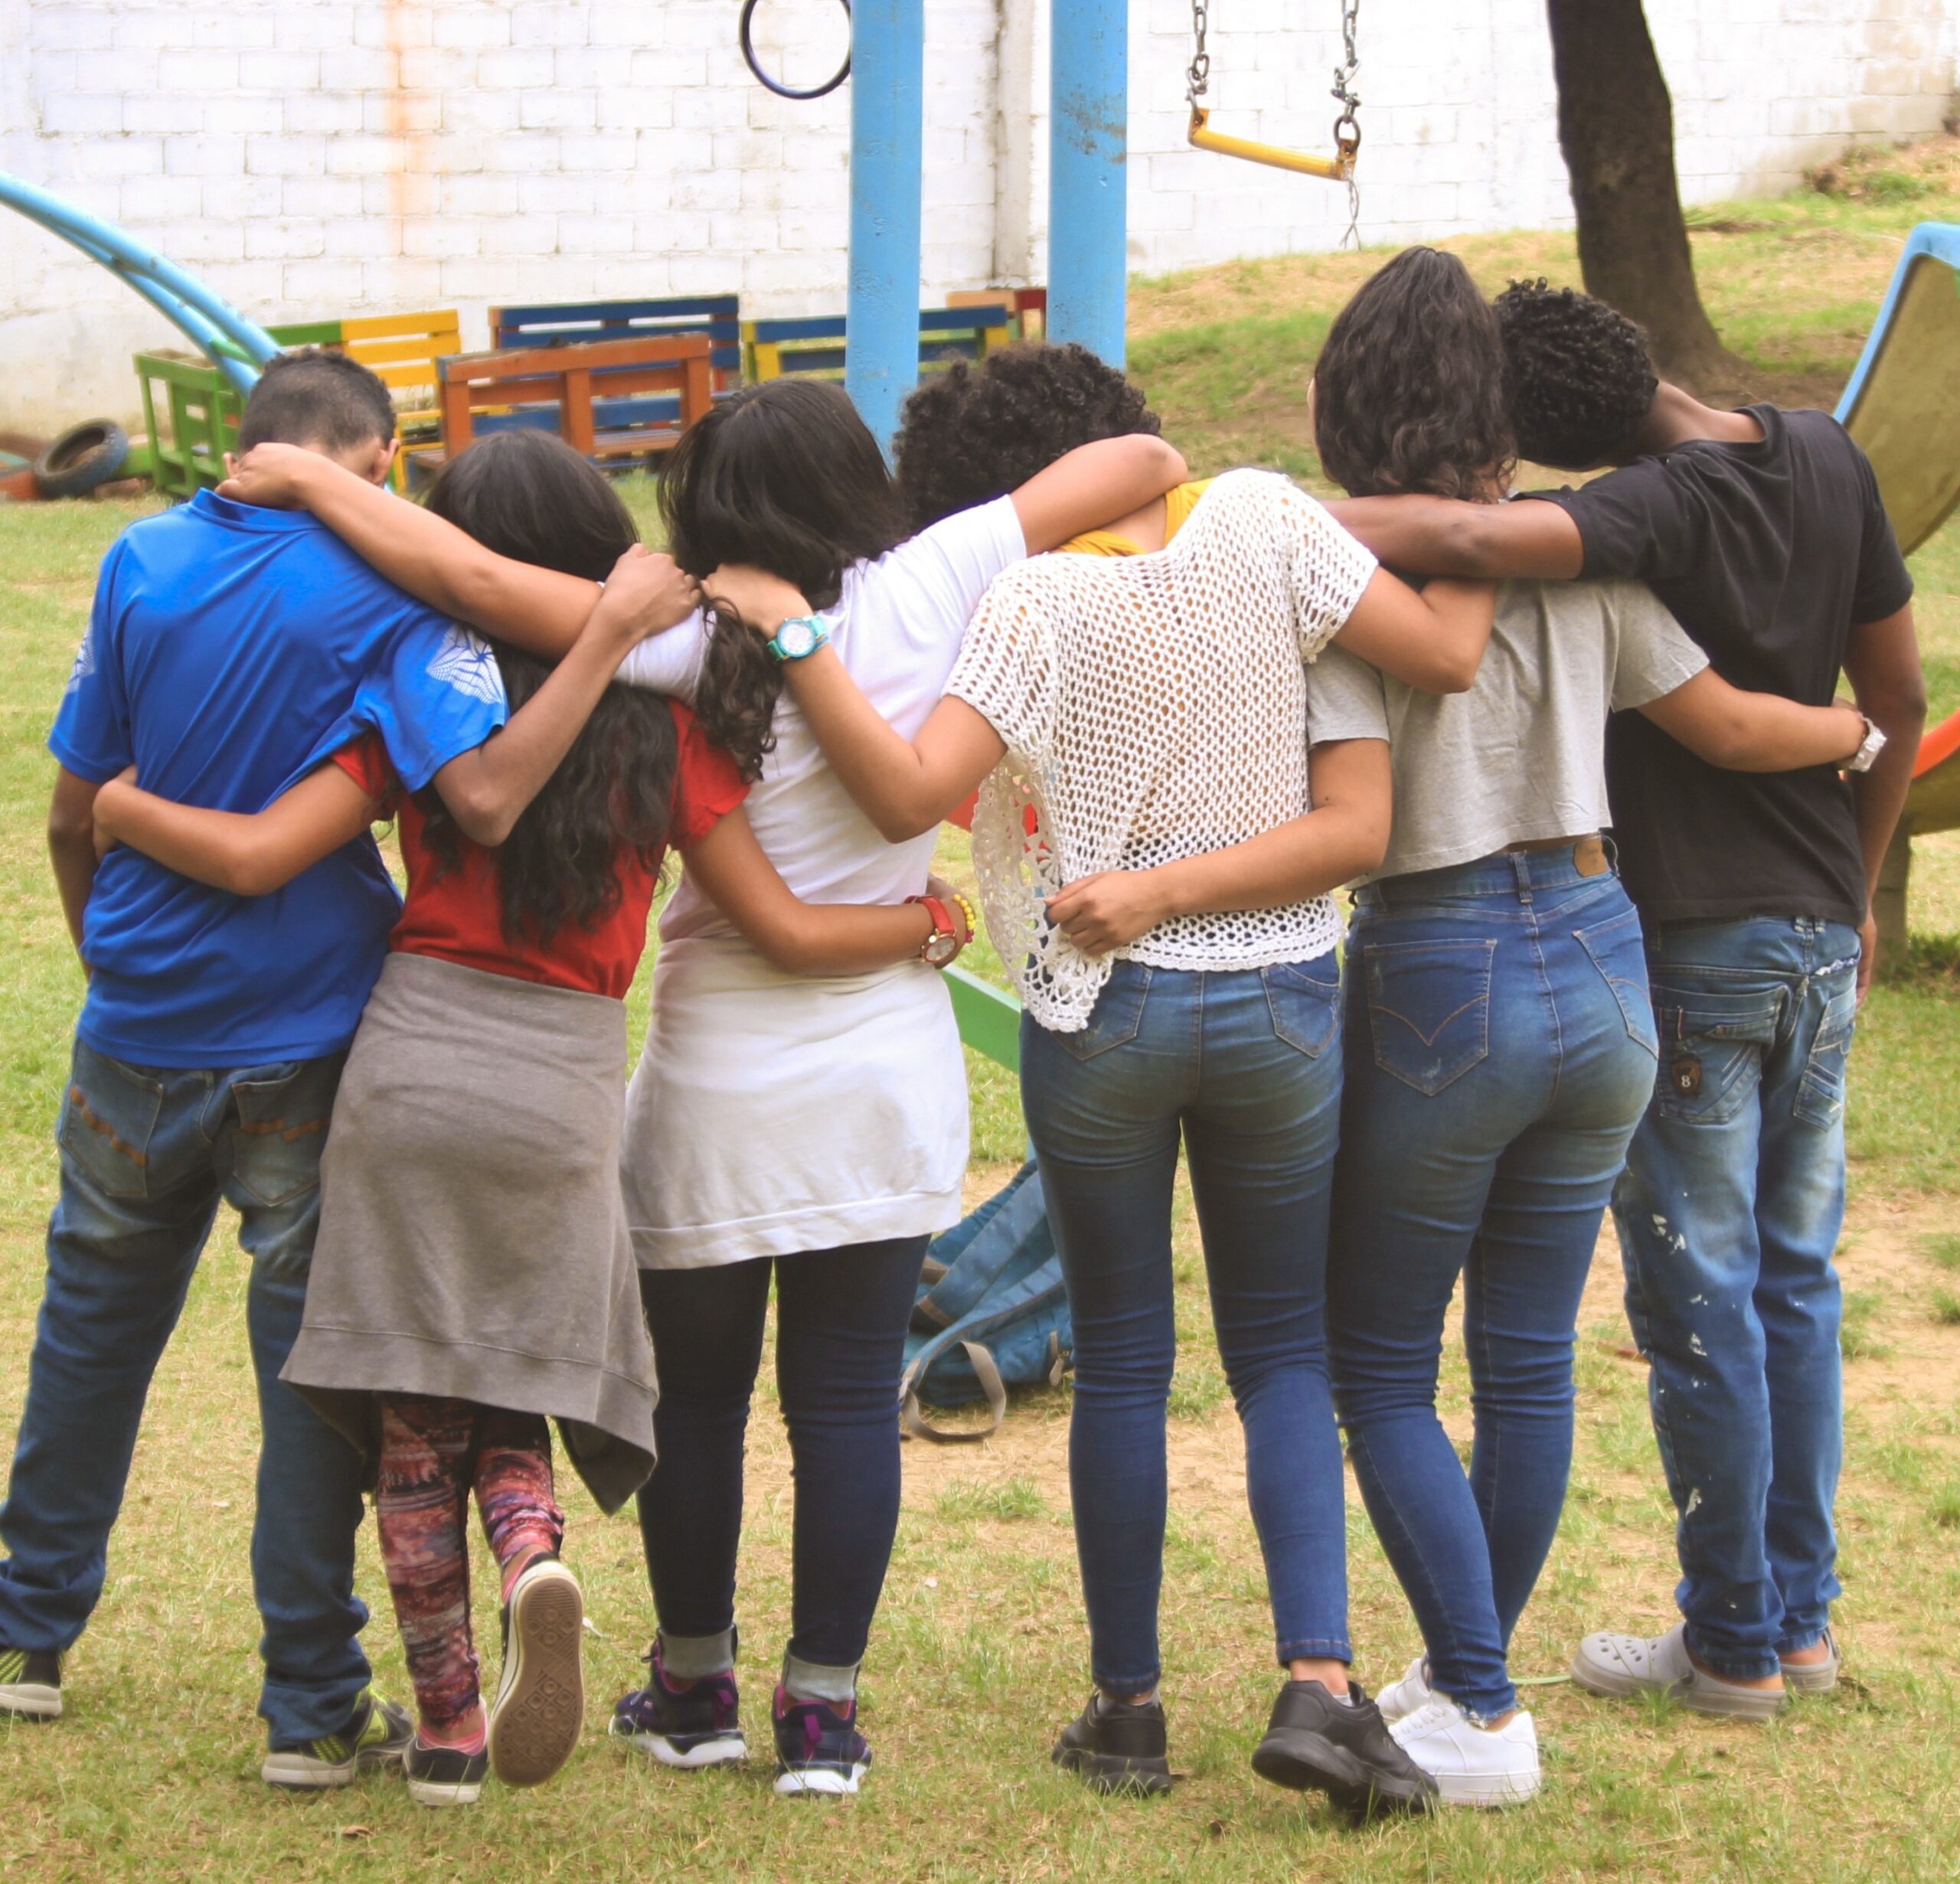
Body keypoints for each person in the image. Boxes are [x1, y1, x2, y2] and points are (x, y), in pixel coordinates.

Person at [213, 384, 1184, 1798]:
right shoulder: (943, 571)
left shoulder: (684, 638)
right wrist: (925, 919)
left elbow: (475, 583)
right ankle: (823, 1720)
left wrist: (316, 482)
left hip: (711, 1078)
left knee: (701, 1408)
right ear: (859, 483)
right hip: (883, 1079)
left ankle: (692, 1690)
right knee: (844, 1404)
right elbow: (1145, 458)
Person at [85, 429, 964, 1806]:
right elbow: (785, 923)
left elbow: (273, 848)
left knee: (411, 1411)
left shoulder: (417, 685)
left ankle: (447, 1729)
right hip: (561, 1089)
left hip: (409, 1066)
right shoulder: (665, 732)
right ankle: (535, 1554)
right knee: (519, 1385)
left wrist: (121, 807)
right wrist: (924, 920)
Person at [699, 390, 1507, 1815]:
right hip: (1279, 994)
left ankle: (1127, 1709)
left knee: (1126, 1361)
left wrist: (797, 635)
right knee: (1283, 1356)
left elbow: (910, 795)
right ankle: (1319, 1685)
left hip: (1098, 1002)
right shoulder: (1264, 520)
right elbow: (1440, 656)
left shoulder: (1021, 604)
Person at [0, 354, 687, 1787]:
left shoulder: (137, 559)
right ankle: (310, 1702)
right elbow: (494, 728)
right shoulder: (396, 595)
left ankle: (26, 1640)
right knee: (316, 1381)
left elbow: (76, 814)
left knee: (88, 1335)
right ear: (372, 465)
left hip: (142, 1029)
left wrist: (111, 935)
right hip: (316, 1040)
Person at [1301, 250, 1879, 1806]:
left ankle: (1482, 1706)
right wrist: (1855, 732)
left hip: (1441, 961)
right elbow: (1731, 726)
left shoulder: (1333, 582)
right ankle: (1462, 1679)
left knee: (1377, 1364)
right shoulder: (1590, 567)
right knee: (1527, 1362)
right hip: (1605, 948)